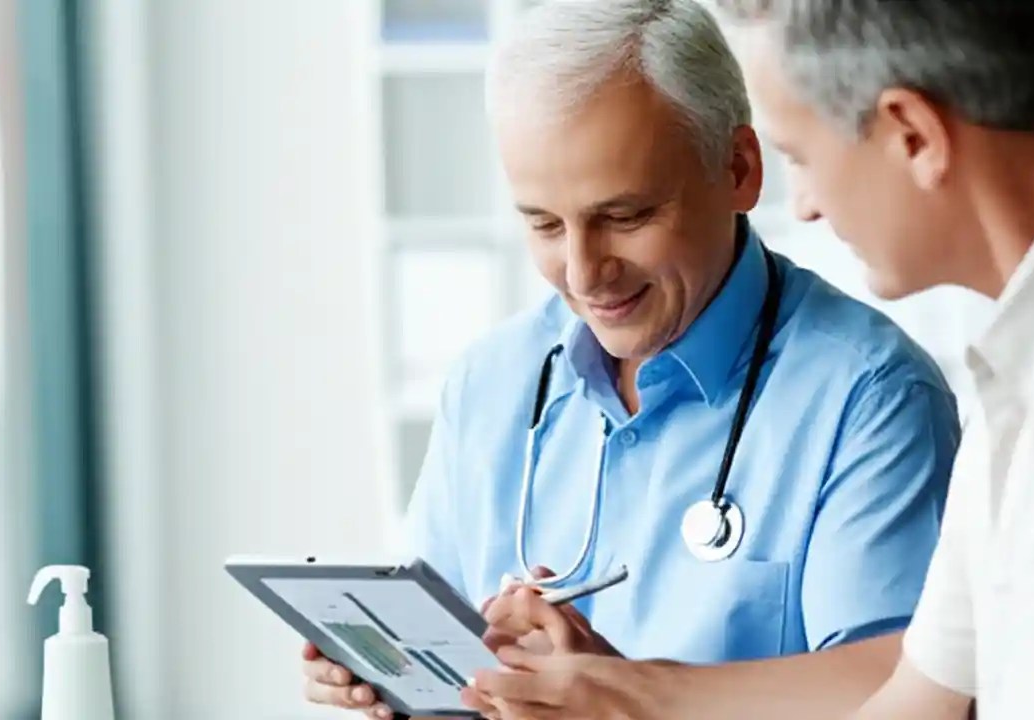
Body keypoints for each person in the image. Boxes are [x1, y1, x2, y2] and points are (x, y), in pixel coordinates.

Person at [471, 0, 1034, 717]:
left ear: (913, 135)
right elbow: (921, 700)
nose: (806, 204)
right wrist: (620, 694)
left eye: (799, 157)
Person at [304, 1, 961, 717]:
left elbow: (908, 701)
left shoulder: (870, 398)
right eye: (545, 225)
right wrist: (393, 685)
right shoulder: (488, 384)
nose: (585, 274)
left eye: (624, 217)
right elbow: (450, 668)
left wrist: (629, 698)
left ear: (739, 169)